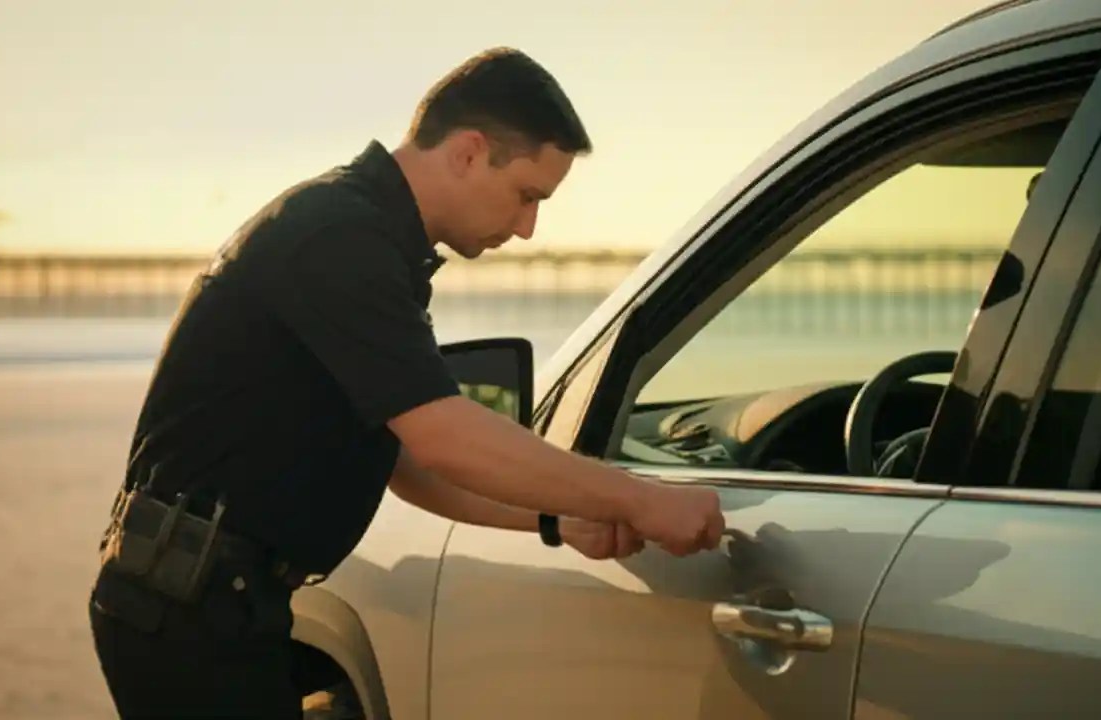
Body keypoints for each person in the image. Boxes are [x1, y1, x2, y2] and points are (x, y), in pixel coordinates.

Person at [88, 46, 726, 718]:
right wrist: (640, 497)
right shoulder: (338, 239)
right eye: (527, 195)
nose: (528, 228)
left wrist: (560, 519)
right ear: (470, 152)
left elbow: (412, 464)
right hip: (187, 611)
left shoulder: (371, 245)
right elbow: (447, 437)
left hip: (218, 603)